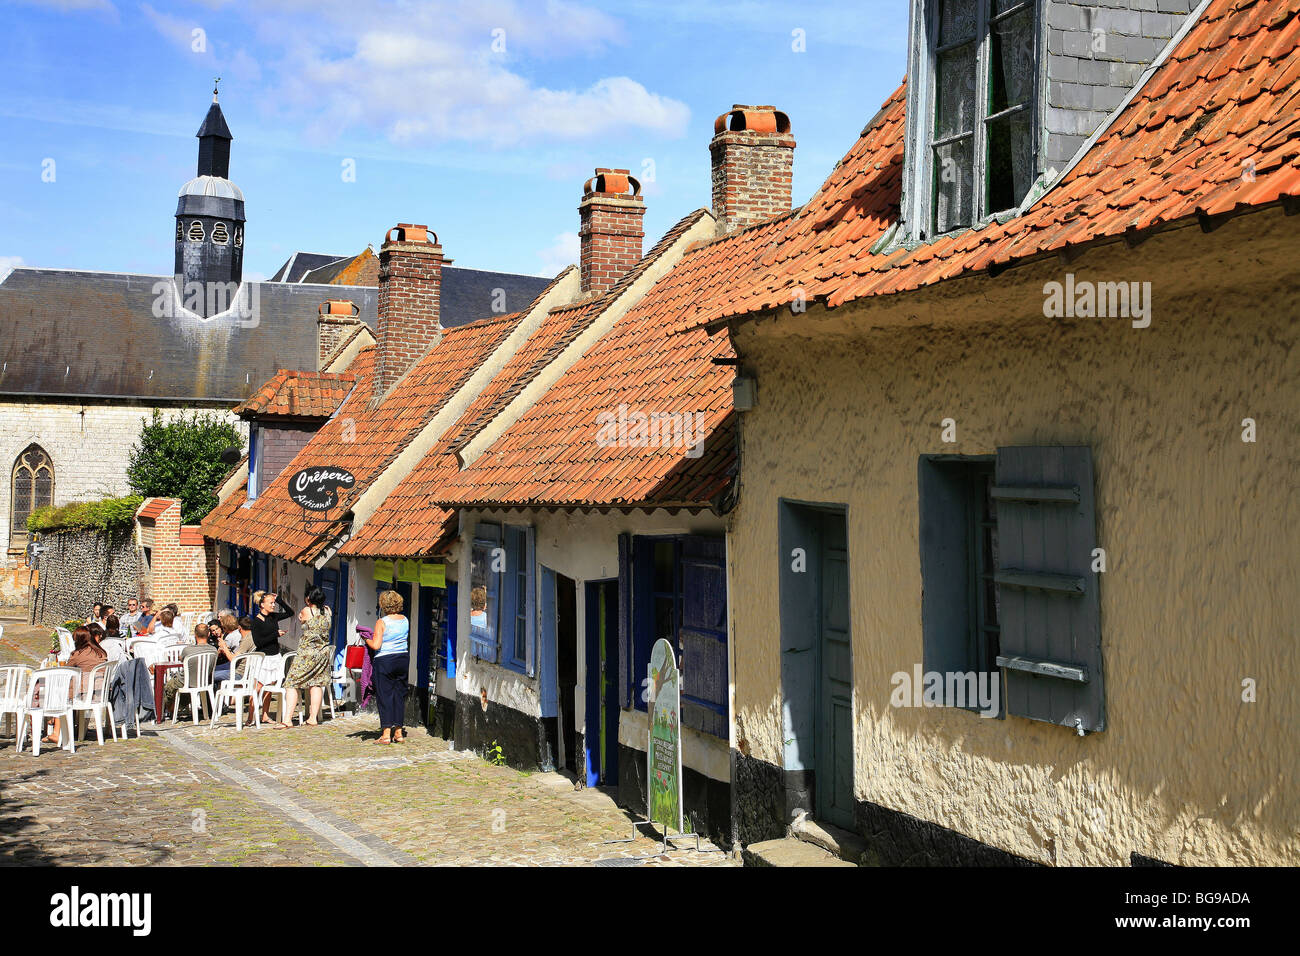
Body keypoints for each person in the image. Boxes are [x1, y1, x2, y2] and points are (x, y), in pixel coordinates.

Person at [276, 587, 333, 729]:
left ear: (308, 598)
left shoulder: (307, 611)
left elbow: (302, 621)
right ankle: (313, 718)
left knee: (291, 683)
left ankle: (288, 719)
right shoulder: (328, 611)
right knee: (316, 683)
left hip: (307, 653)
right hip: (322, 652)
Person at [46, 626, 107, 745]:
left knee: (62, 693)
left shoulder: (78, 654)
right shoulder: (101, 652)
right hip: (101, 693)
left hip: (86, 695)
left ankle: (56, 732)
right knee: (72, 687)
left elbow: (66, 670)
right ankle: (65, 726)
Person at [364, 589, 409, 745]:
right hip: (402, 658)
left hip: (385, 661)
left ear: (383, 604)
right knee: (399, 695)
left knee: (385, 696)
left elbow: (376, 645)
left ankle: (385, 734)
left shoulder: (382, 622)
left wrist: (366, 639)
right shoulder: (405, 620)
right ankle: (398, 733)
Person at [251, 590, 294, 724]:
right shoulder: (256, 622)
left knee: (269, 687)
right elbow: (259, 642)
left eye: (273, 603)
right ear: (262, 604)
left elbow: (290, 613)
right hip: (263, 657)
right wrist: (275, 634)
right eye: (271, 603)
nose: (273, 605)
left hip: (275, 655)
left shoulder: (273, 617)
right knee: (257, 687)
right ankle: (250, 716)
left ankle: (265, 714)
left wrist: (280, 600)